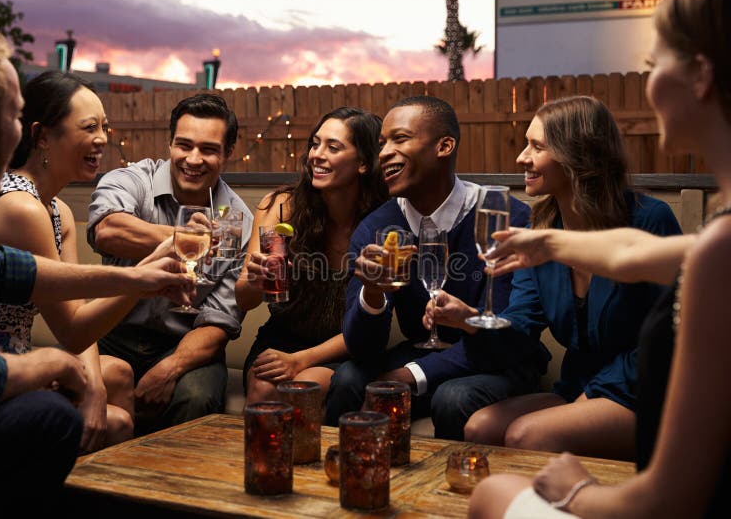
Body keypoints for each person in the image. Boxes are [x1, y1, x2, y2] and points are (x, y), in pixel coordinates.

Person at [469, 0, 731, 516]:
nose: (646, 81)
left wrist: (577, 489)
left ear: (701, 76)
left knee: (492, 494)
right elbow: (633, 253)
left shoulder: (715, 252)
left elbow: (670, 499)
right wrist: (542, 245)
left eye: (655, 63)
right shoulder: (711, 240)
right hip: (590, 400)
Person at [0, 21, 191, 516]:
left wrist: (139, 276)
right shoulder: (18, 205)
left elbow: (6, 273)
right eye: (13, 117)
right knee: (57, 413)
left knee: (109, 377)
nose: (17, 136)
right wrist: (59, 366)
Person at [426, 96, 681, 460]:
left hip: (642, 391)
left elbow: (665, 341)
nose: (522, 158)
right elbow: (521, 327)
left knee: (526, 434)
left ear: (577, 154)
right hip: (577, 385)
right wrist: (468, 319)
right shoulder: (539, 228)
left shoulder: (648, 220)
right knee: (479, 427)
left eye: (537, 146)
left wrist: (594, 395)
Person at [0, 70, 172, 453]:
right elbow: (70, 330)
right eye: (89, 127)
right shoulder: (21, 208)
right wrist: (141, 278)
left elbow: (75, 311)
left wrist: (95, 387)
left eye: (105, 127)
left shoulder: (56, 210)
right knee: (116, 423)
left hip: (13, 351)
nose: (102, 138)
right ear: (41, 136)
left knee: (115, 374)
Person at [324, 95, 549, 440]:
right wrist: (372, 294)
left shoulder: (504, 218)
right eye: (382, 143)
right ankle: (349, 476)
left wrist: (414, 373)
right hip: (423, 350)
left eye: (399, 139)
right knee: (349, 379)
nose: (383, 152)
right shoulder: (376, 228)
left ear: (444, 146)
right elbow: (363, 349)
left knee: (453, 397)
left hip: (500, 358)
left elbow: (508, 333)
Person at [88, 93, 253, 434]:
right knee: (60, 380)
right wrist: (183, 239)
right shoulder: (134, 180)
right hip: (110, 330)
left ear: (228, 153)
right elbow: (106, 229)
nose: (193, 159)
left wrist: (169, 369)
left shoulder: (237, 221)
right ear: (170, 143)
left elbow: (220, 321)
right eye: (184, 145)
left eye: (208, 149)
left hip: (183, 345)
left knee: (195, 397)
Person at [236, 107, 388, 403]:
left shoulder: (379, 222)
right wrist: (254, 280)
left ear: (363, 163)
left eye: (333, 147)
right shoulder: (282, 206)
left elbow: (368, 328)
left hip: (346, 348)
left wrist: (300, 361)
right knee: (264, 387)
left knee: (300, 389)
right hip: (281, 339)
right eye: (315, 144)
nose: (316, 155)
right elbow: (243, 299)